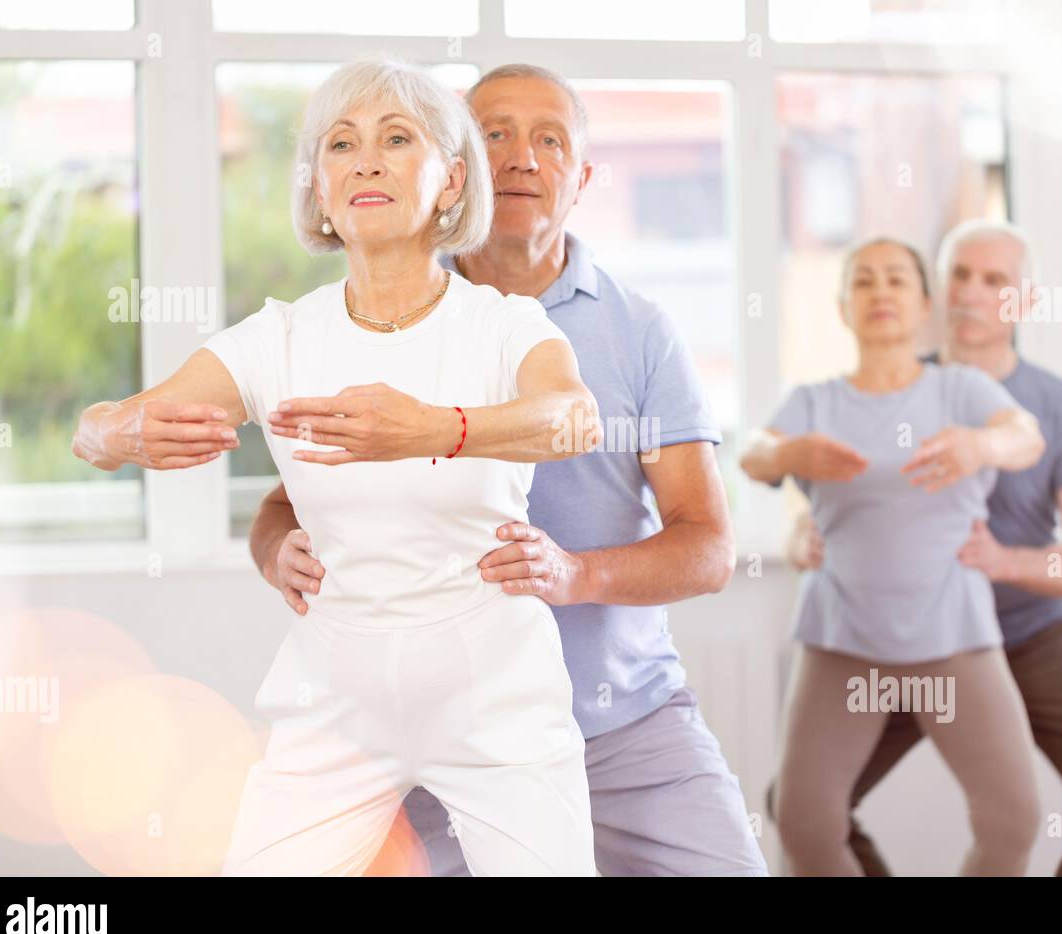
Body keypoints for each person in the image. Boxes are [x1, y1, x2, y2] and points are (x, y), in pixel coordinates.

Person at [71, 56, 603, 876]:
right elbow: (112, 423)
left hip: (496, 689)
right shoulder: (276, 337)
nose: (365, 161)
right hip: (336, 696)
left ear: (453, 178)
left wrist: (434, 426)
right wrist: (112, 433)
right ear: (319, 188)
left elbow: (574, 418)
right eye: (340, 145)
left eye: (397, 139)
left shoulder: (506, 325)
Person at [249, 63, 768, 876]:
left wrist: (574, 572)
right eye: (495, 134)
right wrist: (276, 549)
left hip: (625, 723)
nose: (521, 158)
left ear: (582, 177)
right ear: (458, 166)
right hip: (449, 727)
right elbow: (287, 501)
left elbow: (706, 547)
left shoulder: (640, 331)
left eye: (549, 140)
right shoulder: (378, 314)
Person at [780, 219, 1062, 876]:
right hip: (907, 636)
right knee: (805, 809)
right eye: (959, 274)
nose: (970, 292)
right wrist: (799, 531)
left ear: (1025, 301)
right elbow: (813, 483)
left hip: (1024, 636)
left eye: (994, 280)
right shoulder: (894, 383)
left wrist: (1004, 562)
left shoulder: (1061, 406)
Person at [742, 236, 1048, 876]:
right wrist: (791, 456)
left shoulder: (960, 390)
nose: (880, 292)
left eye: (897, 281)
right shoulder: (815, 401)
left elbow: (1025, 437)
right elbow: (753, 453)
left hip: (953, 637)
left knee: (1013, 820)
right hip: (842, 640)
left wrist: (979, 446)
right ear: (843, 308)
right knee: (804, 821)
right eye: (863, 281)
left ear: (925, 306)